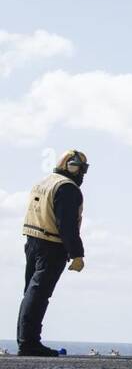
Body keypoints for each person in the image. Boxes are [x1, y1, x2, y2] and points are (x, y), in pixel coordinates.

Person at [17, 150, 88, 356]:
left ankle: (25, 339)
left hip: (32, 241)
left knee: (30, 292)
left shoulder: (45, 182)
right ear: (71, 166)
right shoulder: (67, 188)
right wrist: (77, 254)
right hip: (51, 245)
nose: (82, 174)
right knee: (39, 294)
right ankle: (29, 343)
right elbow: (67, 224)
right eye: (80, 168)